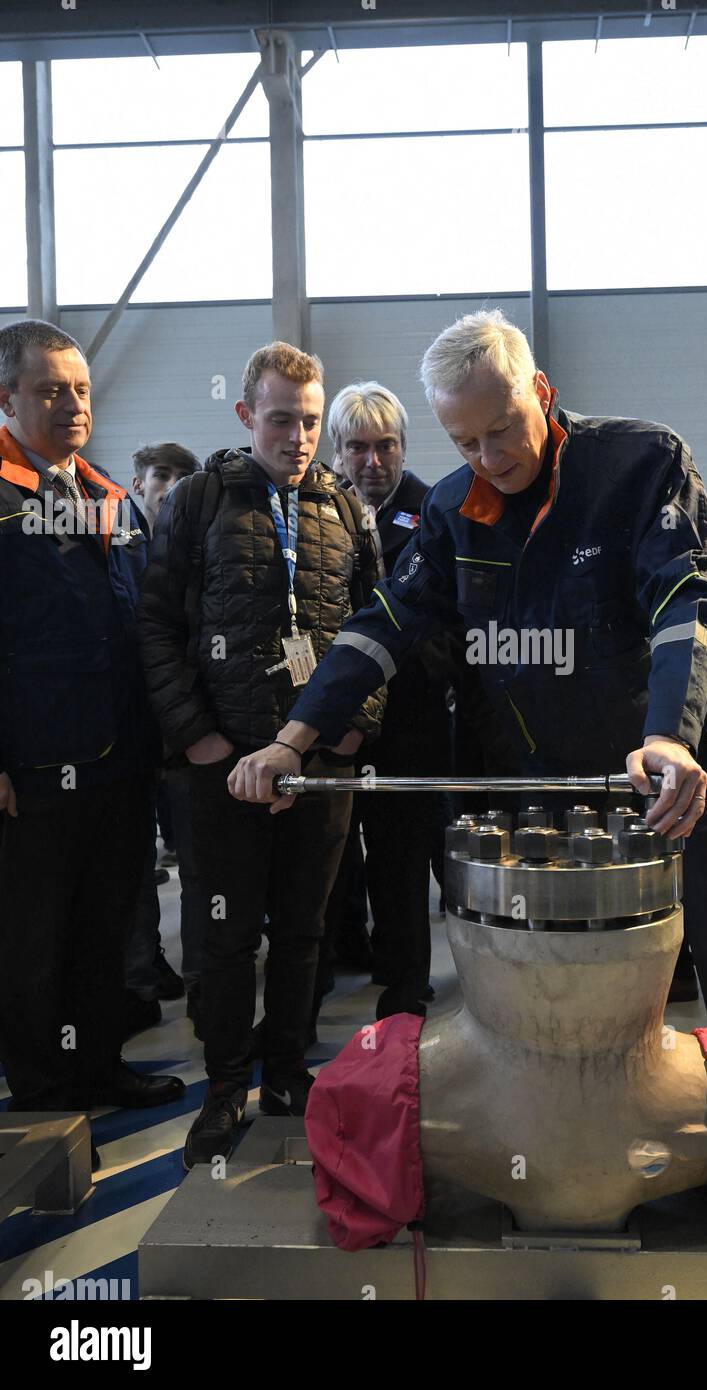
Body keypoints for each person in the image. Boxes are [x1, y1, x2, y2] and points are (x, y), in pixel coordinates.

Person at [227, 309, 707, 1073]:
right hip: (537, 779)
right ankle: (560, 1127)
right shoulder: (455, 510)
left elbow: (685, 596)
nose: (489, 457)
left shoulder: (642, 463)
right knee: (544, 955)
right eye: (464, 442)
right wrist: (295, 737)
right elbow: (384, 623)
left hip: (661, 766)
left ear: (544, 393)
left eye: (503, 429)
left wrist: (669, 736)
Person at [136, 342, 386, 1167]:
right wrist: (203, 744)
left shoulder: (346, 509)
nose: (300, 436)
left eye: (312, 420)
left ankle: (286, 1075)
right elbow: (159, 630)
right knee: (225, 936)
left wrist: (351, 728)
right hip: (220, 772)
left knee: (305, 933)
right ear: (246, 416)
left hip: (320, 769)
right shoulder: (198, 502)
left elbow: (375, 626)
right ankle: (223, 1089)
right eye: (282, 419)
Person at [0, 319, 185, 1143]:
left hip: (119, 761)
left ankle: (100, 1064)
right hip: (32, 770)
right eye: (50, 391)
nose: (72, 404)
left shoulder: (111, 497)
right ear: (7, 398)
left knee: (106, 923)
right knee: (34, 936)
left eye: (79, 389)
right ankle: (43, 1094)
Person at [326, 381, 455, 1016]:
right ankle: (353, 962)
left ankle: (412, 980)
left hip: (417, 716)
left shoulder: (434, 510)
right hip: (337, 718)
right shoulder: (317, 514)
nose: (373, 462)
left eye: (387, 446)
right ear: (337, 450)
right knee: (349, 860)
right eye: (357, 448)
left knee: (414, 852)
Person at [123, 443, 200, 1040]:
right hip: (123, 728)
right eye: (162, 475)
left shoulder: (188, 545)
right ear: (139, 481)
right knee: (134, 857)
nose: (171, 485)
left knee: (179, 852)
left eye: (183, 476)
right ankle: (142, 967)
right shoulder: (117, 539)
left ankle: (158, 966)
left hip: (176, 733)